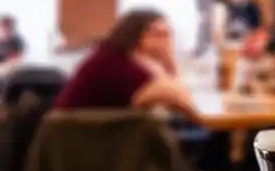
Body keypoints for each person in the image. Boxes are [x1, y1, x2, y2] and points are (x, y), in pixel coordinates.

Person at [55, 10, 197, 115]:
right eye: (157, 35)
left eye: (168, 35)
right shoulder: (116, 63)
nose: (165, 42)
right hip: (85, 140)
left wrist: (168, 61)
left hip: (101, 134)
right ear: (134, 35)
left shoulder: (121, 57)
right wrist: (169, 60)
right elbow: (179, 97)